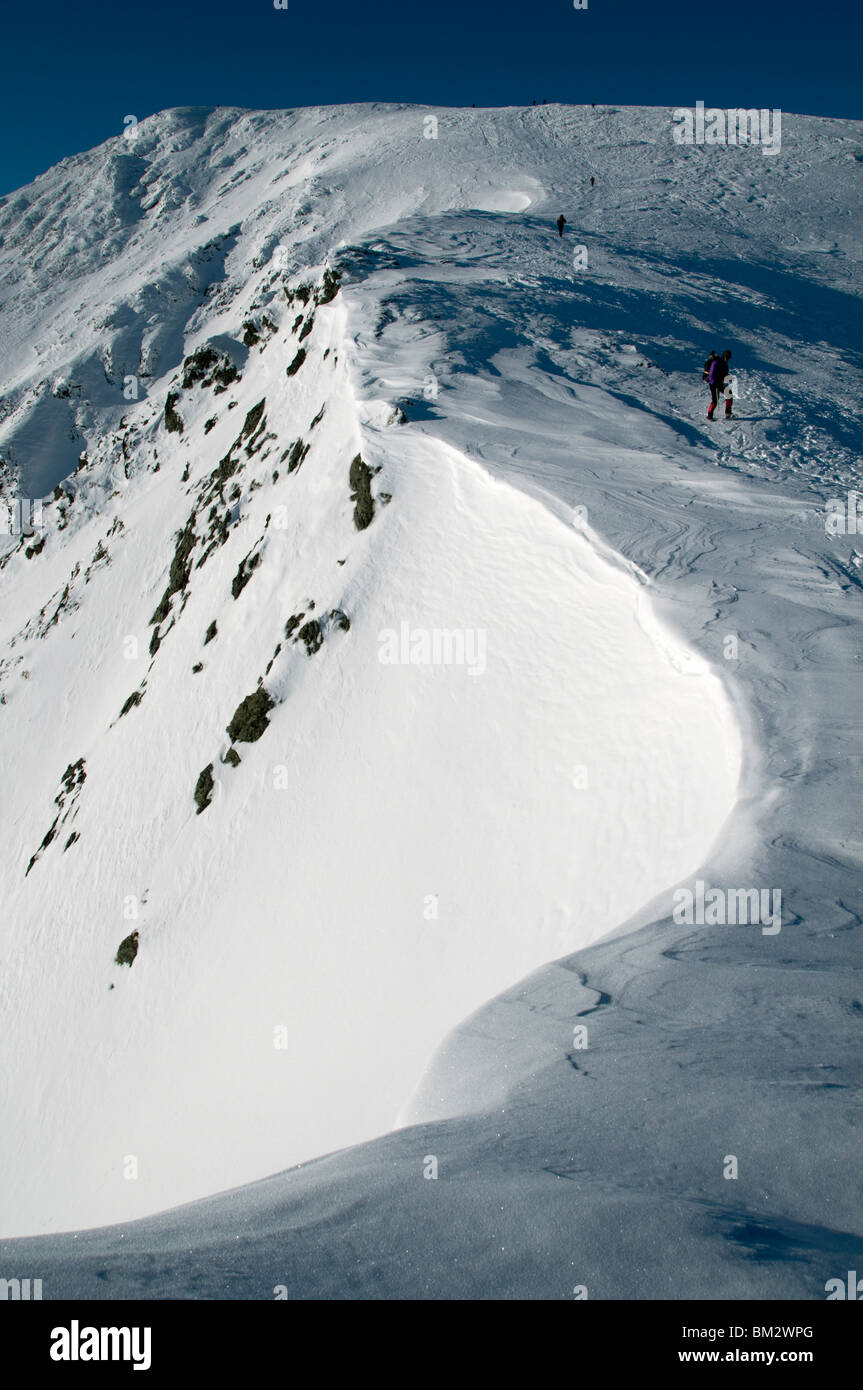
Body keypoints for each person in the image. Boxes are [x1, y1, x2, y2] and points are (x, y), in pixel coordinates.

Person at [707, 350, 733, 420]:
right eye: (726, 357)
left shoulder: (725, 364)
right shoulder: (716, 362)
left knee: (729, 395)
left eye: (728, 358)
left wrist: (728, 377)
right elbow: (711, 375)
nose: (727, 359)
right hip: (713, 384)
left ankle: (728, 413)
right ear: (724, 356)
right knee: (715, 401)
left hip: (720, 383)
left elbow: (725, 373)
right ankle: (709, 415)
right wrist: (714, 383)